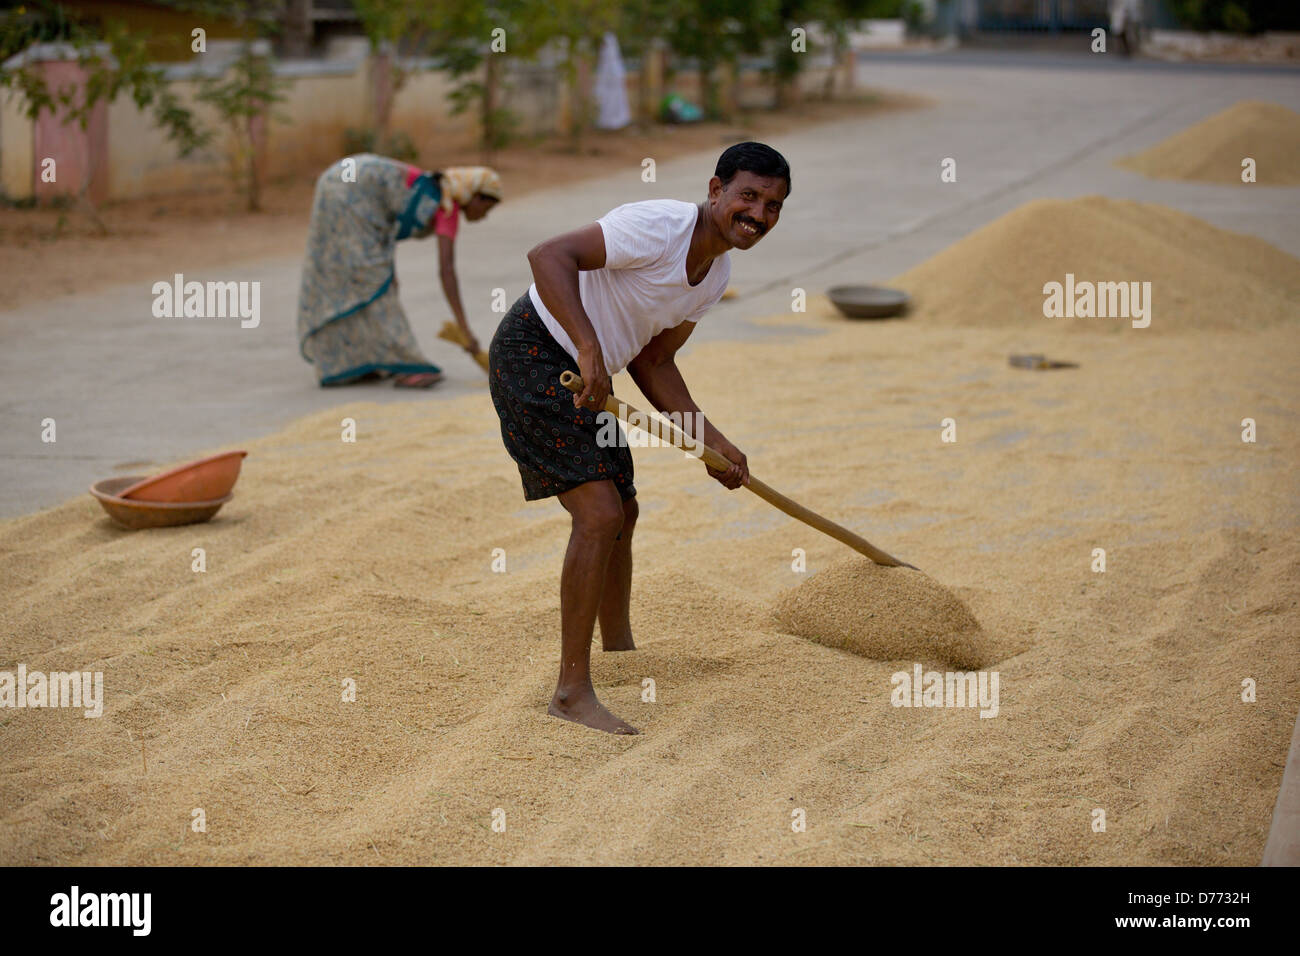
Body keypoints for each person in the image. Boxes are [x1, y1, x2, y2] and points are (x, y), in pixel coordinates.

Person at [487, 142, 790, 734]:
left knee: (624, 508)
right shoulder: (660, 226)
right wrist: (589, 344)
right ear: (715, 190)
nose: (758, 213)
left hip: (592, 376)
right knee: (598, 515)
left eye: (773, 205)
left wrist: (712, 442)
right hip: (534, 354)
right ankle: (571, 692)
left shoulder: (715, 272)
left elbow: (654, 362)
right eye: (748, 196)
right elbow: (548, 255)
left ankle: (620, 651)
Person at [297, 155, 501, 387]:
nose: (485, 215)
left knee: (350, 276)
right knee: (373, 279)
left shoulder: (433, 188)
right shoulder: (446, 205)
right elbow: (446, 270)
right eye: (487, 206)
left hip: (336, 180)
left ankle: (351, 363)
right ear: (474, 195)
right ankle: (409, 364)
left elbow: (384, 230)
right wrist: (466, 331)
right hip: (350, 189)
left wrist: (390, 271)